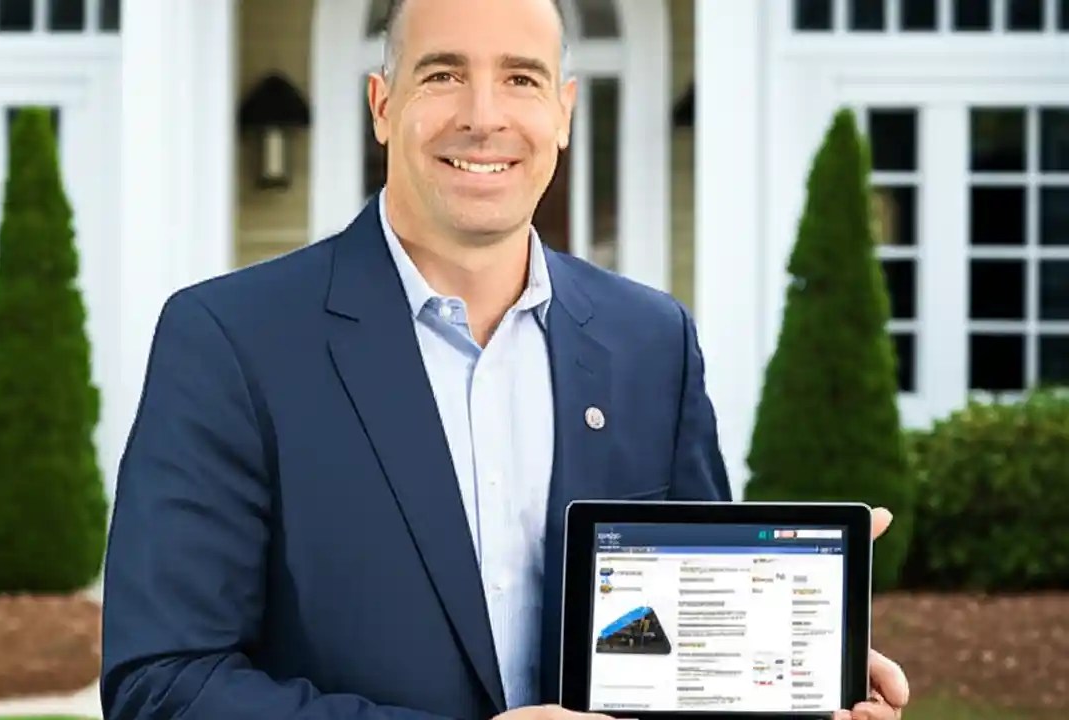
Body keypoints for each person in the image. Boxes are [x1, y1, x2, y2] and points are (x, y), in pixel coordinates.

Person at [99, 0, 910, 718]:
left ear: (562, 113)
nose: (483, 115)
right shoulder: (231, 339)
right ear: (384, 106)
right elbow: (163, 685)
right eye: (444, 74)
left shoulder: (651, 343)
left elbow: (677, 659)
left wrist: (784, 680)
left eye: (521, 79)